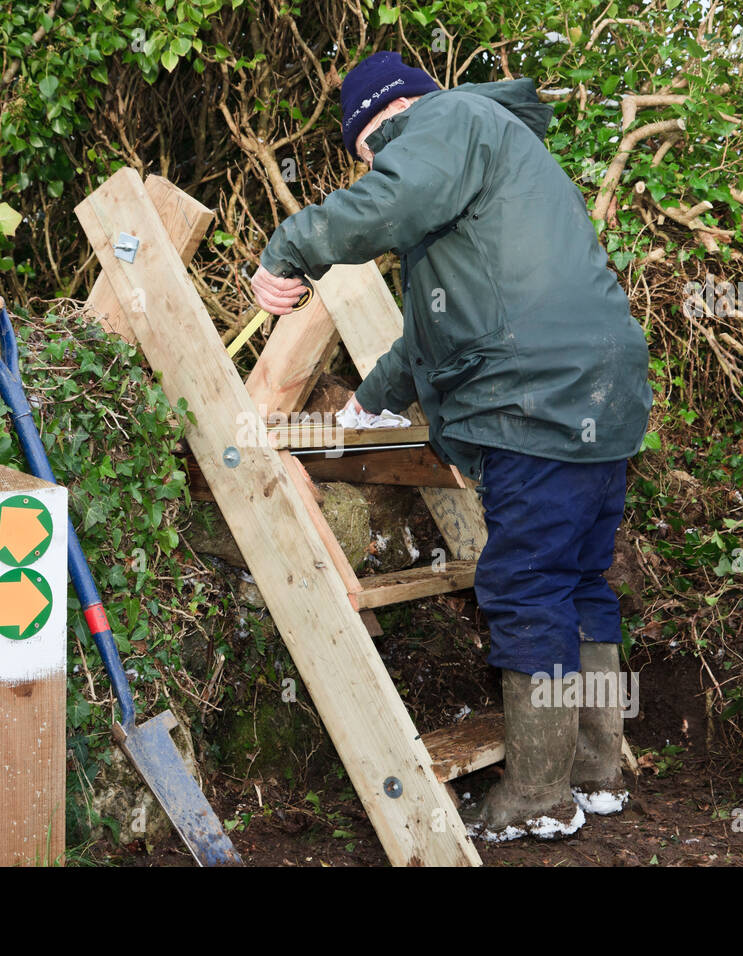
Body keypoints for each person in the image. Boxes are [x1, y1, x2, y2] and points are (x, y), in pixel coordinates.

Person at [251, 52, 652, 840]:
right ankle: (597, 773)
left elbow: (392, 199)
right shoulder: (491, 144)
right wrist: (371, 402)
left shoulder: (443, 122)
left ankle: (538, 800)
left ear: (375, 126)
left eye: (364, 153)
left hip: (534, 398)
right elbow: (442, 323)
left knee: (526, 584)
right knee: (578, 580)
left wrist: (290, 248)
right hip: (601, 395)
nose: (373, 165)